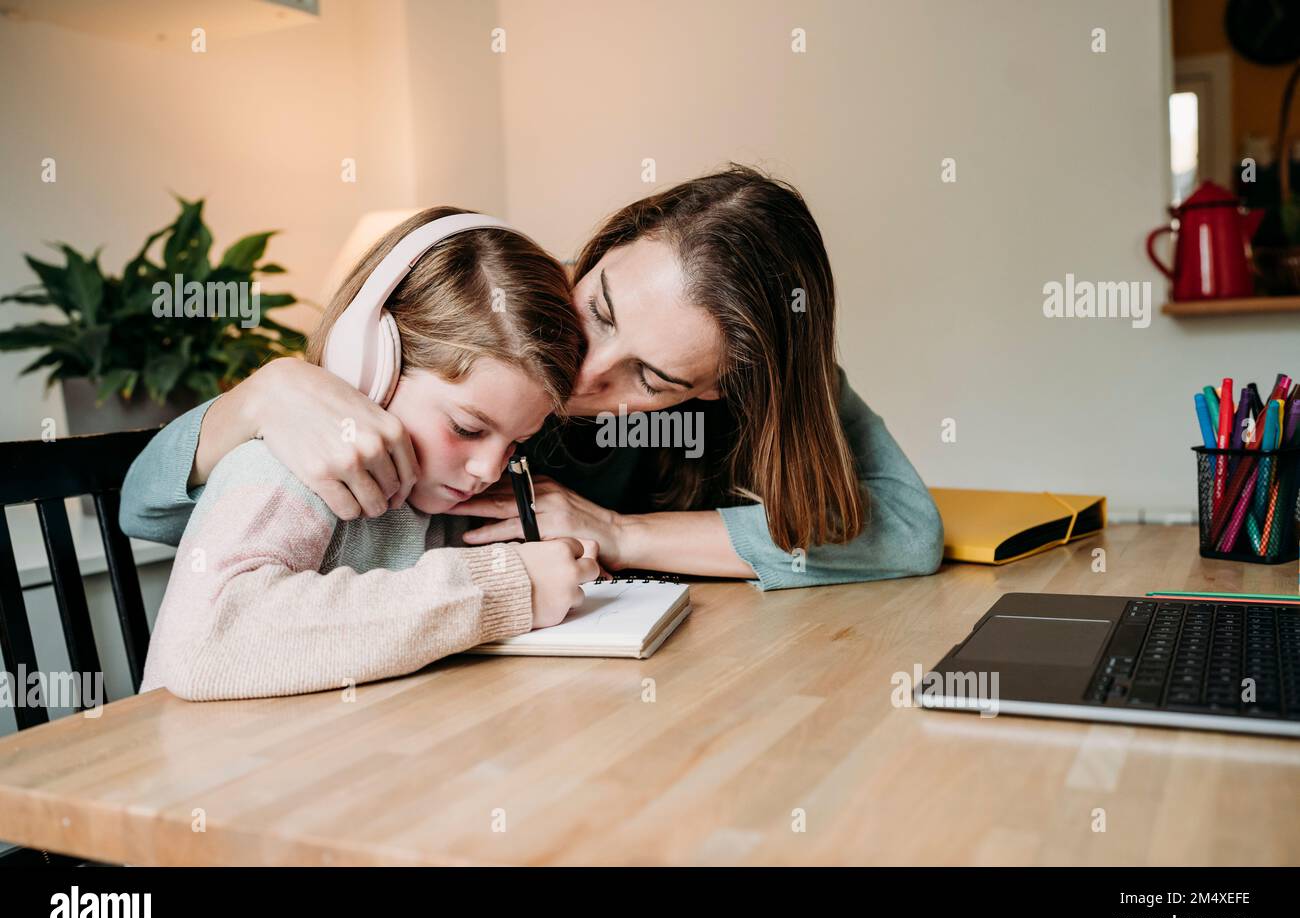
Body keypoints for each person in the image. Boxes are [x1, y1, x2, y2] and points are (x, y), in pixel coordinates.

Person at [122, 165, 943, 592]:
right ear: (604, 246)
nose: (584, 371)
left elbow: (906, 532)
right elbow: (146, 509)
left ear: (714, 390)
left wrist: (622, 534)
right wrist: (262, 395)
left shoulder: (751, 378)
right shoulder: (492, 327)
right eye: (602, 308)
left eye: (650, 381)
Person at [137, 208, 597, 701]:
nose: (489, 468)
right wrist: (506, 587)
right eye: (466, 428)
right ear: (370, 366)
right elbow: (210, 642)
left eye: (516, 442)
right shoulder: (279, 470)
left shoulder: (448, 501)